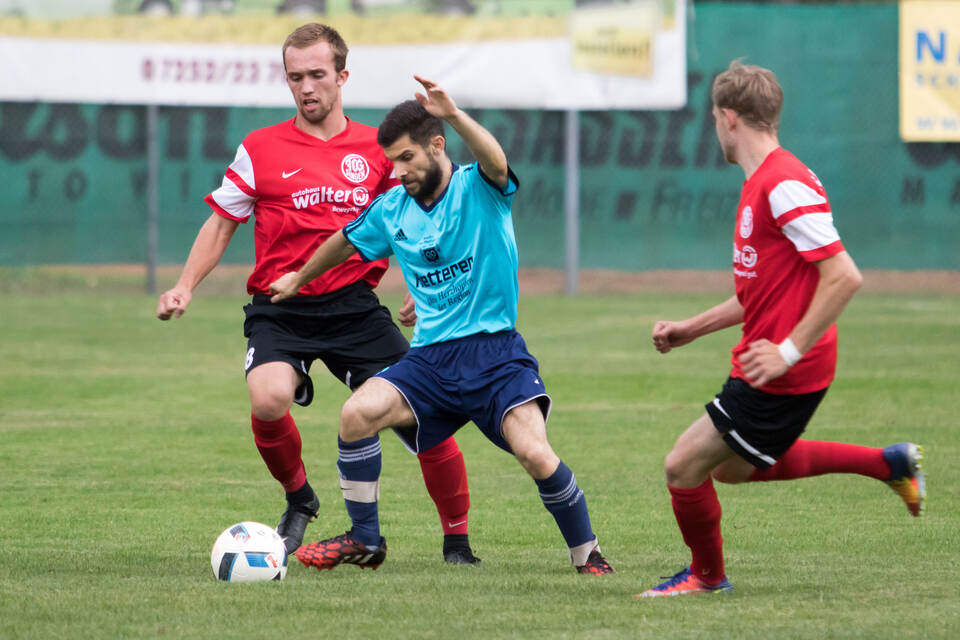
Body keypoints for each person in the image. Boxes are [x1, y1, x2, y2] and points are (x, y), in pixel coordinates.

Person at [155, 23, 480, 565]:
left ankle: (457, 540)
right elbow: (221, 223)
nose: (306, 87)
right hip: (280, 309)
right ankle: (300, 498)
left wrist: (422, 291)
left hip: (354, 307)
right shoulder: (260, 147)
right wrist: (184, 285)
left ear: (342, 76)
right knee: (268, 397)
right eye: (295, 77)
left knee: (422, 413)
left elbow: (417, 221)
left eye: (317, 75)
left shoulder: (378, 149)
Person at [269, 76, 615, 575]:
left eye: (407, 158)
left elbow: (496, 160)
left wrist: (453, 113)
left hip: (495, 357)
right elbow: (344, 240)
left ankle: (588, 556)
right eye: (392, 162)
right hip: (430, 362)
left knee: (536, 455)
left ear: (437, 145)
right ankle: (365, 539)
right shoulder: (394, 210)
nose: (400, 171)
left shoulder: (480, 188)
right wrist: (300, 278)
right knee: (356, 414)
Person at [637, 60, 926, 598]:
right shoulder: (764, 181)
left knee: (683, 466)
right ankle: (888, 463)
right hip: (773, 359)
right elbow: (760, 292)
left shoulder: (783, 183)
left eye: (714, 121)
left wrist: (788, 352)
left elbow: (844, 276)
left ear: (727, 118)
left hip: (783, 368)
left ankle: (706, 578)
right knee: (729, 471)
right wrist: (692, 328)